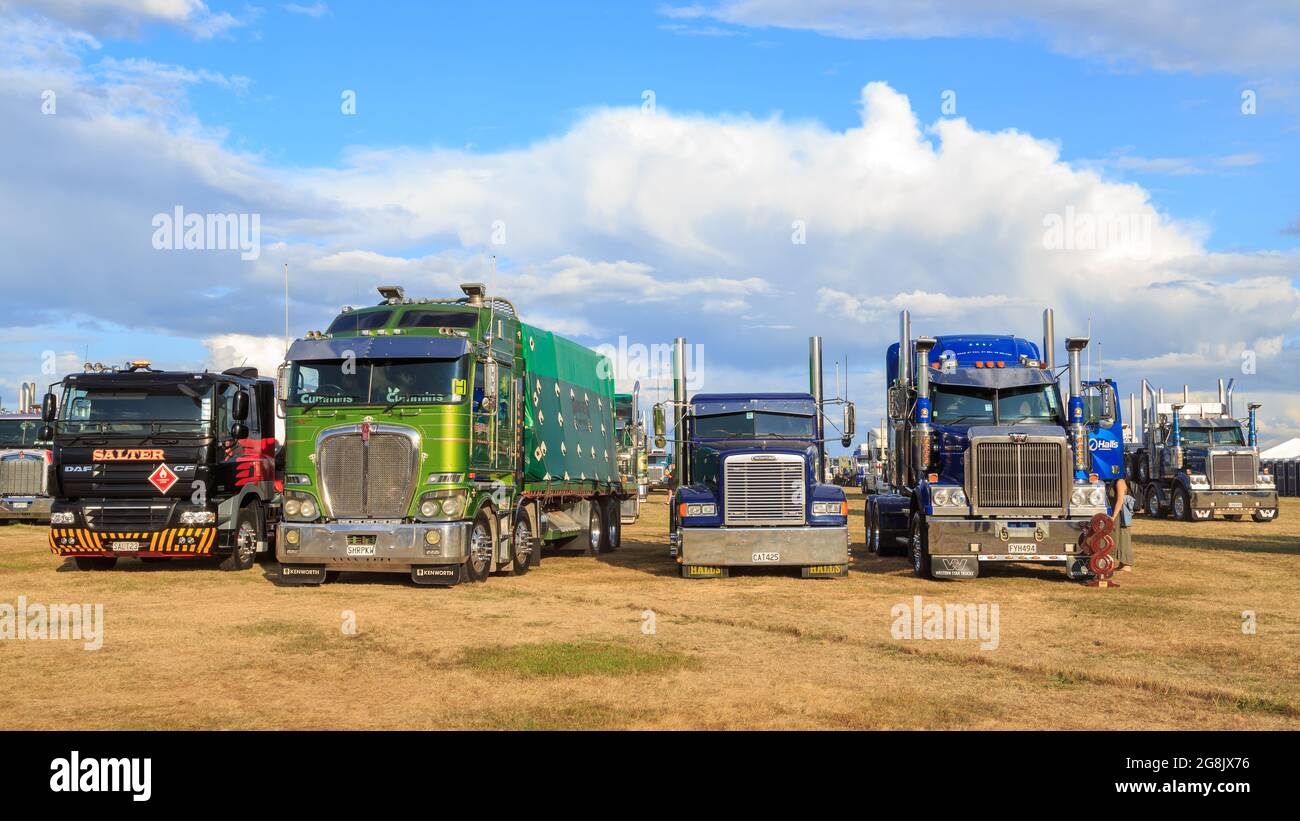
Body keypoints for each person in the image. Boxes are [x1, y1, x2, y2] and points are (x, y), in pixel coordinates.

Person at [1109, 476, 1134, 572]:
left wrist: (1113, 517)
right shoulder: (1114, 481)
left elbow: (1120, 500)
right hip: (1118, 514)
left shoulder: (1119, 482)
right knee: (1118, 537)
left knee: (1123, 537)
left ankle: (1127, 564)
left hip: (1120, 515)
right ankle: (1122, 563)